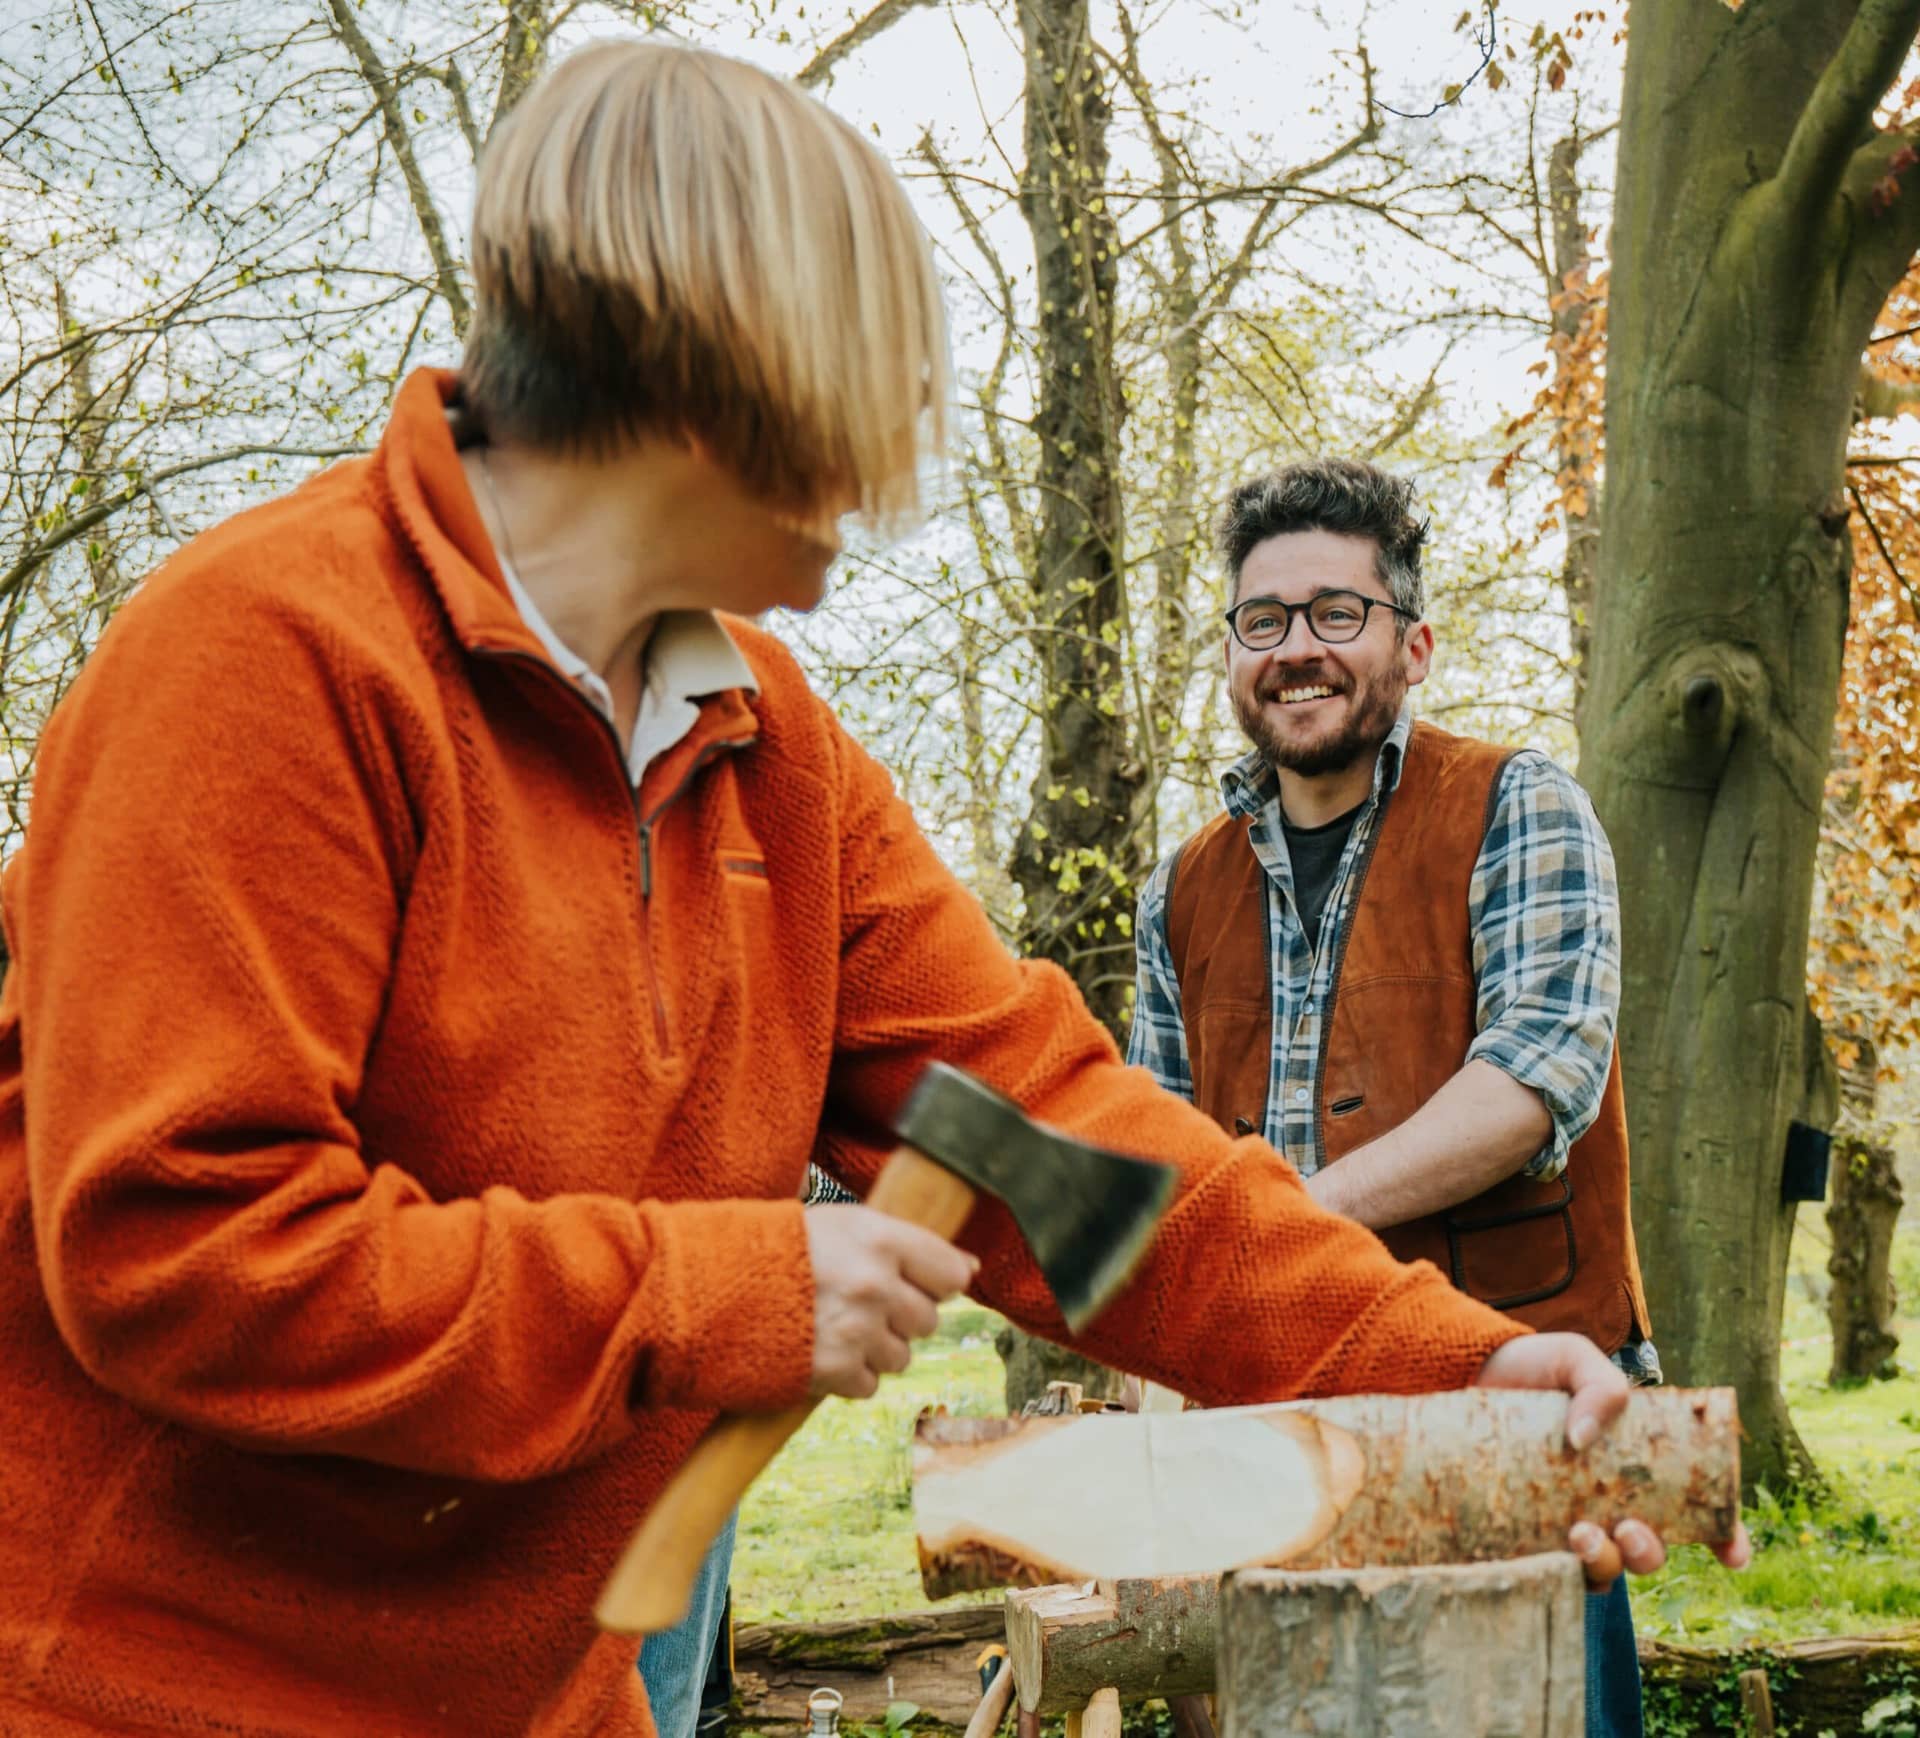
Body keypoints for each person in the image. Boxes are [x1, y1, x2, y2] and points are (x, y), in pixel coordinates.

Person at [0, 44, 1740, 1738]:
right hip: (147, 1682)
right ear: (713, 346)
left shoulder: (767, 741)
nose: (911, 430)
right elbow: (180, 1249)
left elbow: (1050, 1156)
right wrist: (727, 1288)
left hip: (535, 1690)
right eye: (881, 366)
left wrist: (1441, 1362)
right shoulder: (262, 664)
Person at [1128, 459, 1664, 1738]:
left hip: (1515, 1423)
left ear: (1411, 645)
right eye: (1264, 621)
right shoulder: (1182, 886)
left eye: (1336, 614)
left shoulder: (1519, 805)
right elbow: (1157, 1150)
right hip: (1285, 1430)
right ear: (1230, 653)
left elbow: (1534, 1081)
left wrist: (1285, 1224)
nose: (1296, 649)